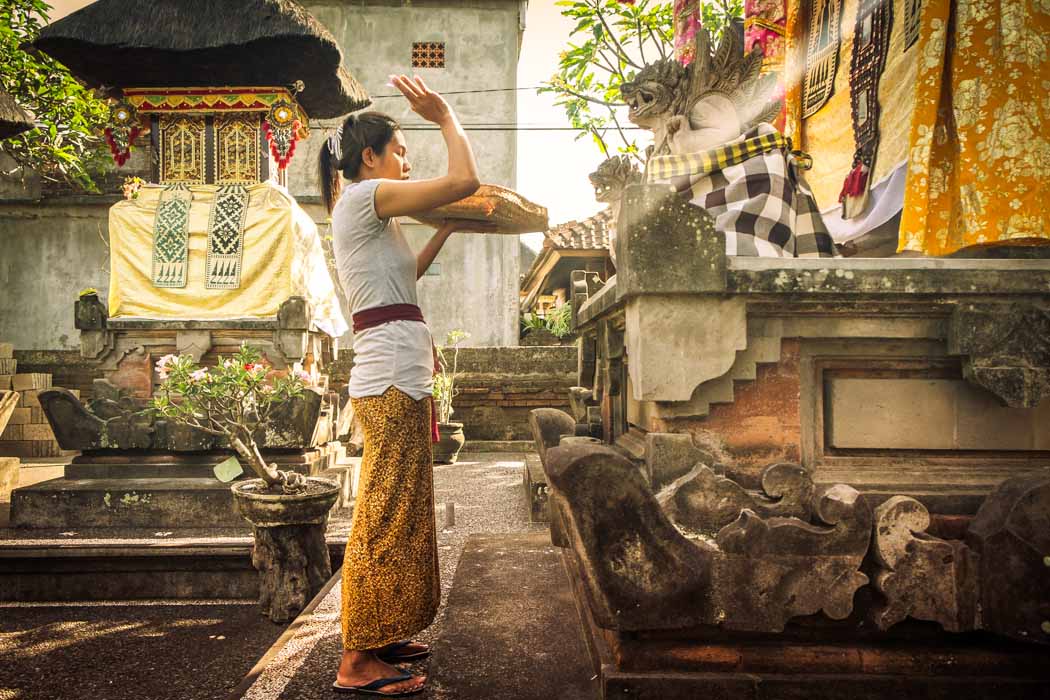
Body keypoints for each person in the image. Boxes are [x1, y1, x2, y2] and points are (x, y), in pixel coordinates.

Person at [320, 74, 486, 696]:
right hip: (389, 376)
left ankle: (383, 632)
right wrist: (445, 117)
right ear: (370, 157)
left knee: (403, 507)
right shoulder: (366, 196)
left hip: (400, 373)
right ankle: (357, 659)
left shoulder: (372, 210)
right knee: (384, 511)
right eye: (400, 150)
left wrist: (446, 230)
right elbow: (464, 180)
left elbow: (404, 278)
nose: (407, 161)